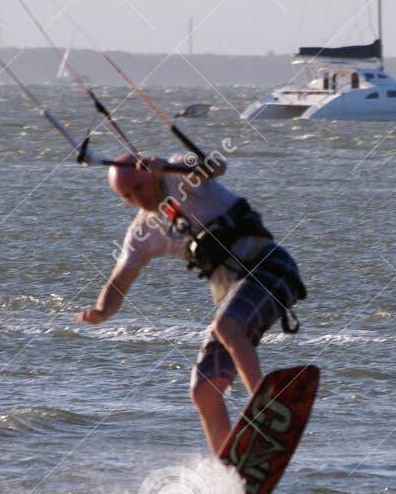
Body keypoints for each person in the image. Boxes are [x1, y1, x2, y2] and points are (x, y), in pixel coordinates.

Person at [74, 155, 306, 454]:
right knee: (203, 390)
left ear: (152, 174)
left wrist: (168, 166)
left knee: (226, 326)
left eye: (141, 188)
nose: (139, 200)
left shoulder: (183, 178)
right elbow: (119, 282)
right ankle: (232, 470)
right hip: (237, 290)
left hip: (271, 269)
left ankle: (266, 410)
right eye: (128, 197)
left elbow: (216, 163)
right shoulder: (143, 232)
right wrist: (102, 310)